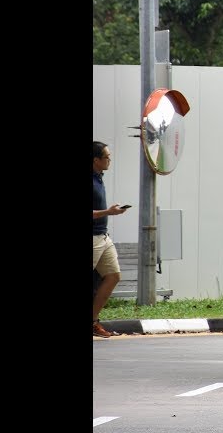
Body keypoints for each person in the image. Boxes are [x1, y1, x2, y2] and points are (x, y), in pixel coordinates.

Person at [93, 141, 128, 338]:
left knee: (113, 275)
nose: (109, 160)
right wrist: (109, 212)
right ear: (95, 160)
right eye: (106, 157)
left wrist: (110, 211)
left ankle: (93, 320)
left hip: (103, 236)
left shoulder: (98, 178)